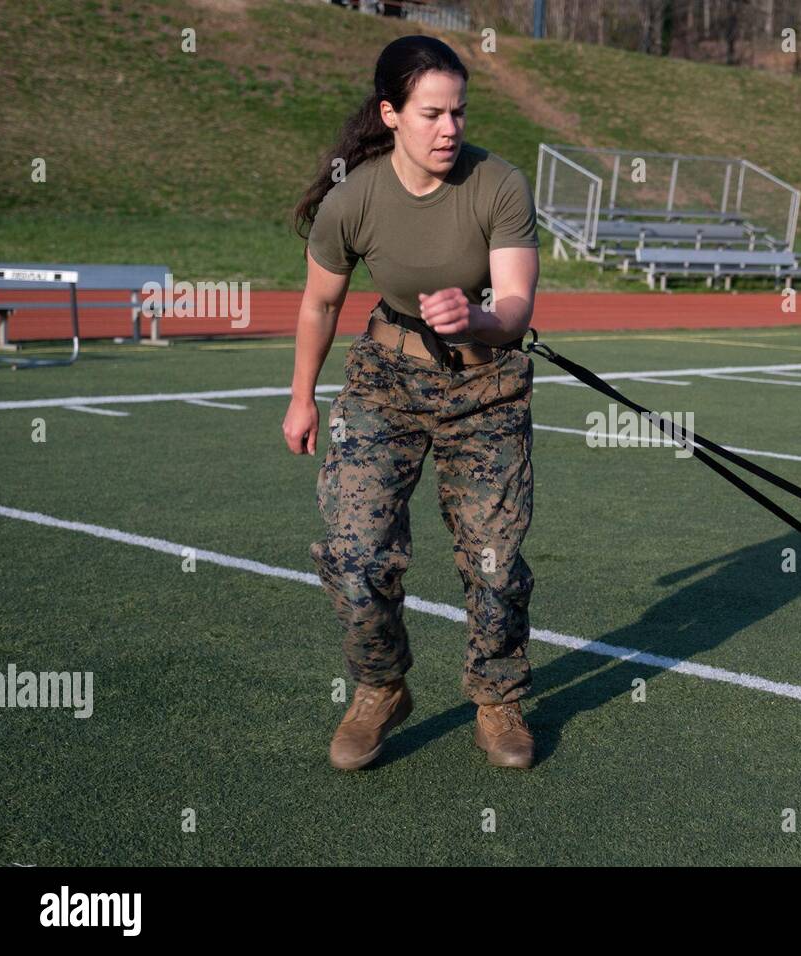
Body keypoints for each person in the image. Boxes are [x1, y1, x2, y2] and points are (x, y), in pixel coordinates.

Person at [284, 35, 540, 771]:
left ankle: (497, 700)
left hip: (484, 388)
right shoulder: (353, 197)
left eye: (459, 112)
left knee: (494, 563)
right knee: (355, 556)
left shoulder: (499, 183)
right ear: (391, 113)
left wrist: (479, 318)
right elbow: (318, 306)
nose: (450, 129)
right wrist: (301, 399)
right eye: (432, 113)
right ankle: (380, 686)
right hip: (384, 384)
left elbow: (516, 306)